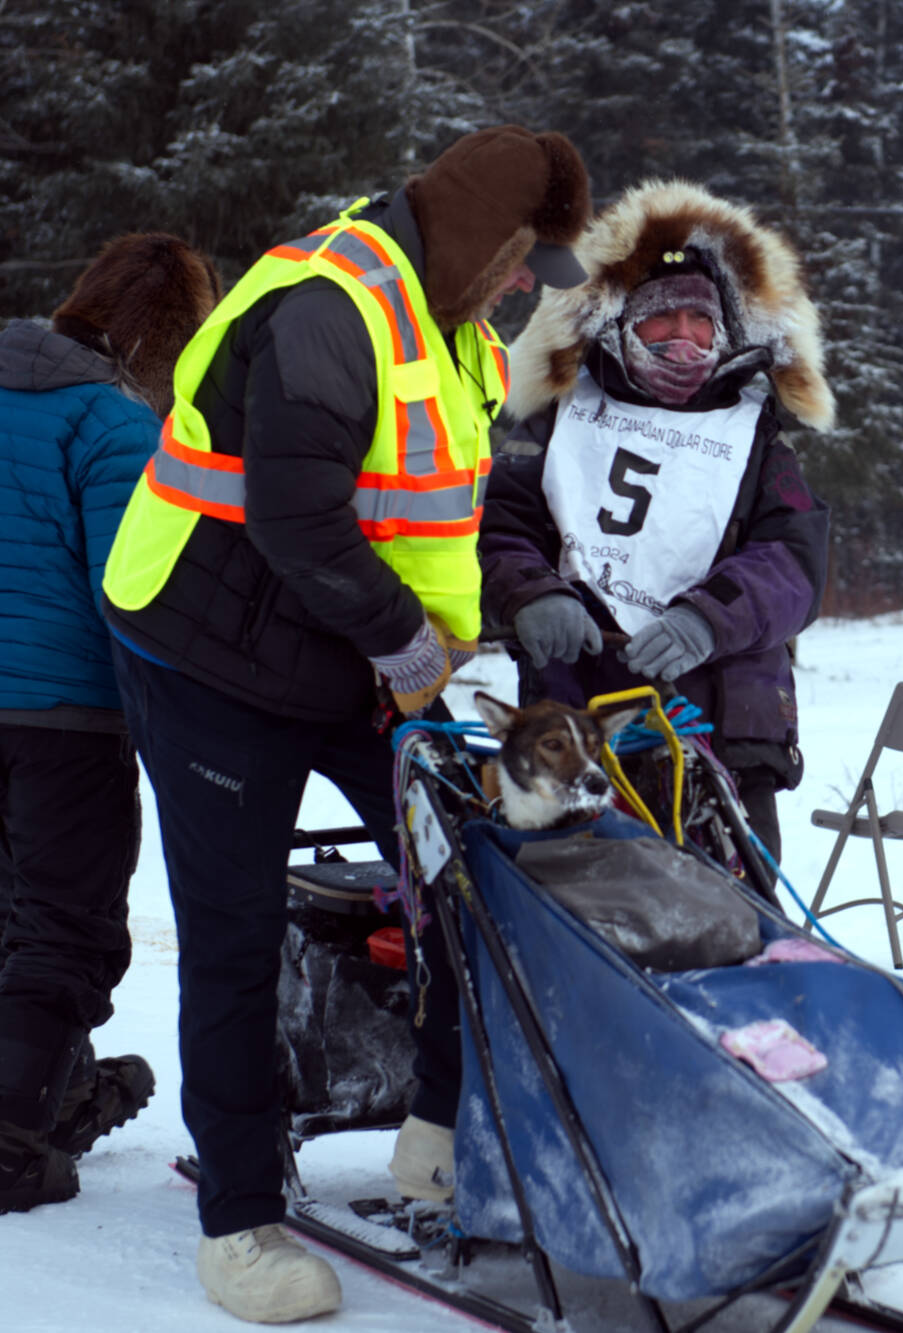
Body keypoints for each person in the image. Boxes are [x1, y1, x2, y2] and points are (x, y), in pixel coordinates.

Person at [98, 126, 590, 1324]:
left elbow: (431, 510)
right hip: (208, 654)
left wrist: (455, 644)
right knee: (234, 929)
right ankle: (239, 1220)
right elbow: (298, 518)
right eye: (526, 258)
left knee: (464, 884)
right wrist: (411, 647)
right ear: (483, 235)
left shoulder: (456, 326)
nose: (529, 286)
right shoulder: (330, 306)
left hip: (348, 660)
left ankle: (434, 1132)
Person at [478, 177, 833, 866]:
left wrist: (709, 616)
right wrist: (532, 595)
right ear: (619, 323)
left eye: (700, 322)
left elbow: (793, 562)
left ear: (724, 328)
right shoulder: (559, 418)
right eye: (661, 321)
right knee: (589, 915)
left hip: (725, 731)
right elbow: (498, 529)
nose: (684, 338)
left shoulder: (756, 434)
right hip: (578, 729)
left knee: (742, 921)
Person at [0, 234, 222, 1215]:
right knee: (62, 923)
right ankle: (14, 1142)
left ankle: (56, 1091)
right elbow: (129, 593)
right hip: (65, 720)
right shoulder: (113, 421)